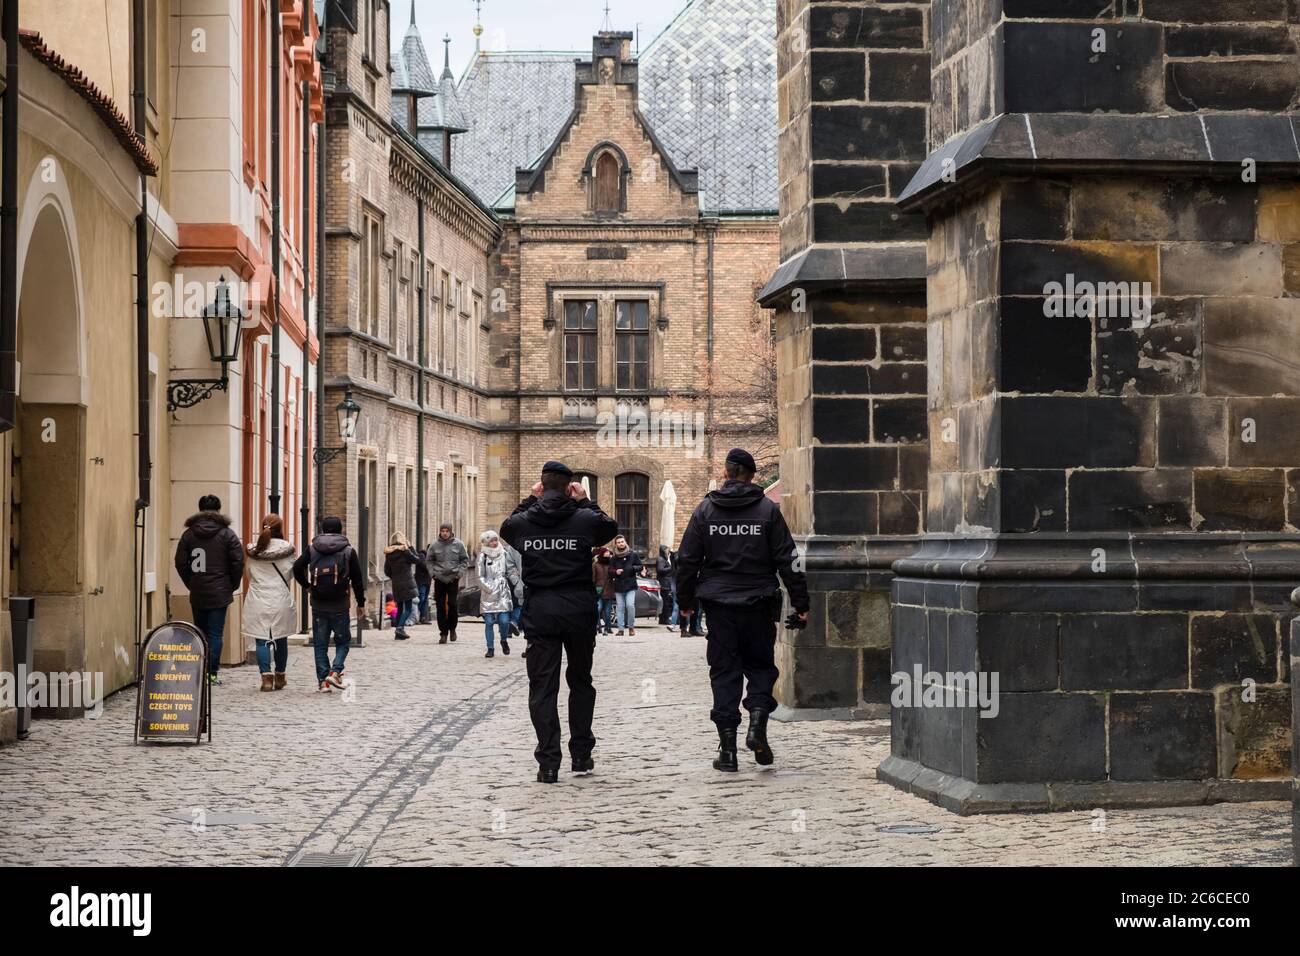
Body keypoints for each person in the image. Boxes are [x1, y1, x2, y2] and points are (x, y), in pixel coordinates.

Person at [675, 448, 809, 773]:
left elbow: (687, 560)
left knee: (724, 673)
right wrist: (802, 604)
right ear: (752, 476)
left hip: (720, 607)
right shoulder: (767, 510)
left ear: (725, 472)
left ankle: (728, 750)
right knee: (761, 668)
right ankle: (758, 724)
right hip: (758, 604)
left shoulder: (706, 510)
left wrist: (686, 603)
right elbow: (788, 560)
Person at [501, 460, 618, 783]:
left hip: (541, 611)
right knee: (581, 682)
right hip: (578, 609)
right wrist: (584, 501)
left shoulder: (525, 522)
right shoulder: (583, 520)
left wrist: (529, 499)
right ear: (569, 487)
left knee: (543, 688)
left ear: (542, 485)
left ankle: (548, 762)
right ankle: (581, 754)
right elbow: (609, 527)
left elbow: (506, 527)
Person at [174, 494, 245, 686]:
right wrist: (232, 584)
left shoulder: (189, 534)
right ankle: (211, 673)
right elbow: (238, 561)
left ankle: (200, 669)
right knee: (215, 634)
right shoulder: (227, 534)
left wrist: (191, 582)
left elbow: (180, 562)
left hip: (198, 589)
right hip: (220, 590)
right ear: (218, 510)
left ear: (200, 509)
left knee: (200, 632)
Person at [293, 516, 366, 693]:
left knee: (320, 644)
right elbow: (357, 579)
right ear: (341, 529)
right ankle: (335, 671)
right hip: (340, 603)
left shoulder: (312, 548)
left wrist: (308, 586)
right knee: (343, 641)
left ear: (322, 529)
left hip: (318, 603)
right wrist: (361, 603)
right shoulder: (348, 551)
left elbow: (297, 568)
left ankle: (322, 682)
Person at [242, 514, 296, 692]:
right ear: (280, 528)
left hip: (259, 597)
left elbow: (249, 573)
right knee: (281, 638)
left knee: (261, 639)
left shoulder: (254, 551)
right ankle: (280, 676)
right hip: (279, 596)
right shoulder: (287, 550)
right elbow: (290, 573)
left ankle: (266, 679)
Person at [427, 523, 470, 643]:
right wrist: (433, 574)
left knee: (452, 604)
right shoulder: (434, 545)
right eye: (442, 531)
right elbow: (429, 560)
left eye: (447, 531)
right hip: (439, 579)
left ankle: (452, 629)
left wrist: (459, 574)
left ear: (451, 532)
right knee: (440, 606)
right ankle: (443, 633)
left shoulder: (459, 544)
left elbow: (464, 560)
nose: (444, 533)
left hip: (453, 578)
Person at [478, 530, 516, 658]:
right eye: (491, 541)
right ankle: (490, 648)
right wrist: (488, 588)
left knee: (504, 621)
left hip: (502, 591)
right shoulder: (482, 556)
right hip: (488, 593)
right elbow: (479, 576)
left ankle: (504, 640)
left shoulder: (504, 553)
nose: (494, 543)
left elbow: (511, 568)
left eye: (495, 540)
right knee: (489, 622)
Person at [383, 532, 421, 641]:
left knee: (400, 608)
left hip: (396, 584)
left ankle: (399, 633)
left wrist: (395, 577)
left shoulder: (389, 554)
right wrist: (411, 547)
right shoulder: (405, 552)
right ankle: (399, 628)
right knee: (408, 608)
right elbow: (417, 560)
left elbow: (387, 571)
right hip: (407, 583)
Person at [608, 534, 642, 636]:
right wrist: (615, 572)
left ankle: (631, 627)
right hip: (619, 586)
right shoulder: (614, 557)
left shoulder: (633, 554)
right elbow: (609, 570)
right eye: (618, 542)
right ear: (616, 544)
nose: (620, 544)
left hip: (630, 585)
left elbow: (640, 566)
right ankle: (621, 629)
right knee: (620, 608)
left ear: (625, 542)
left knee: (630, 605)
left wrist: (632, 568)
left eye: (622, 541)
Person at [592, 547, 615, 636]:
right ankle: (598, 626)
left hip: (609, 589)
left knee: (608, 612)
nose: (608, 553)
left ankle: (607, 628)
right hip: (599, 590)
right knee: (598, 609)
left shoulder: (611, 564)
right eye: (606, 552)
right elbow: (593, 578)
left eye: (608, 552)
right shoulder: (595, 564)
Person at [656, 544, 676, 627]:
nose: (668, 552)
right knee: (666, 603)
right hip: (664, 584)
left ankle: (663, 619)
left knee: (666, 602)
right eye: (667, 550)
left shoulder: (664, 559)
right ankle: (665, 619)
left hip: (666, 583)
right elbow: (660, 570)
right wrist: (671, 568)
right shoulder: (661, 559)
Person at [414, 546, 432, 624]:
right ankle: (417, 616)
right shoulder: (422, 555)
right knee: (421, 598)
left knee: (425, 600)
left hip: (427, 582)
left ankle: (423, 617)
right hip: (421, 582)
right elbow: (425, 566)